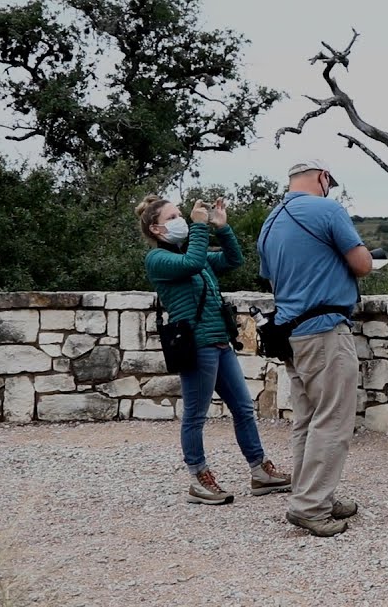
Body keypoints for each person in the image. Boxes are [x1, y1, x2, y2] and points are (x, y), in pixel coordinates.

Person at [136, 194, 291, 506]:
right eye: (172, 218)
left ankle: (260, 471)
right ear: (155, 229)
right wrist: (198, 227)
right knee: (195, 415)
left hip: (220, 342)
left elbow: (234, 260)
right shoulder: (158, 260)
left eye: (180, 215)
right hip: (196, 345)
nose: (180, 221)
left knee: (243, 409)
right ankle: (198, 477)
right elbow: (192, 262)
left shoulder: (193, 254)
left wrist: (222, 228)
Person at [257, 159, 372, 537]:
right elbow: (363, 264)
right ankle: (310, 505)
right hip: (325, 329)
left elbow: (273, 276)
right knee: (333, 420)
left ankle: (316, 494)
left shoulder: (270, 222)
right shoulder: (327, 209)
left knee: (307, 419)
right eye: (329, 181)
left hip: (291, 332)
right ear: (322, 177)